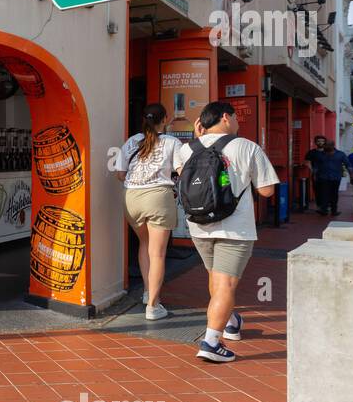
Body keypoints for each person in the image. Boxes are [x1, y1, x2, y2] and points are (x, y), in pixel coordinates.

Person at [174, 101, 280, 364]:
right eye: (235, 117)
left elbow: (185, 180)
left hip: (199, 225)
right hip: (235, 228)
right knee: (226, 284)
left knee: (216, 277)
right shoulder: (247, 147)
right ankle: (210, 342)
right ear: (225, 117)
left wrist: (200, 141)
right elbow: (267, 191)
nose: (237, 122)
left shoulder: (186, 149)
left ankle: (231, 322)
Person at [115, 103, 182, 321]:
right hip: (158, 198)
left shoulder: (131, 141)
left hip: (131, 198)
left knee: (144, 245)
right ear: (165, 119)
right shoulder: (172, 142)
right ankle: (153, 306)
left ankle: (147, 293)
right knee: (158, 253)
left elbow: (120, 174)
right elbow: (181, 171)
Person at [313, 140, 351, 217]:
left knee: (334, 194)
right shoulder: (320, 155)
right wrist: (314, 174)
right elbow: (316, 166)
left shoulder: (340, 154)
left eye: (327, 145)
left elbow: (348, 164)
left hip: (336, 178)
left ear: (332, 146)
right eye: (325, 145)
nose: (325, 146)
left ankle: (334, 210)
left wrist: (351, 174)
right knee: (324, 193)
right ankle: (324, 210)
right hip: (323, 177)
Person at [302, 135, 326, 212]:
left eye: (322, 141)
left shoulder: (328, 152)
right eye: (319, 141)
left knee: (326, 190)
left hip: (327, 173)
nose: (320, 143)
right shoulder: (311, 152)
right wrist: (312, 170)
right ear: (315, 142)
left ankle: (326, 205)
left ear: (325, 142)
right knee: (317, 190)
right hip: (316, 174)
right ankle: (319, 206)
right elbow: (307, 162)